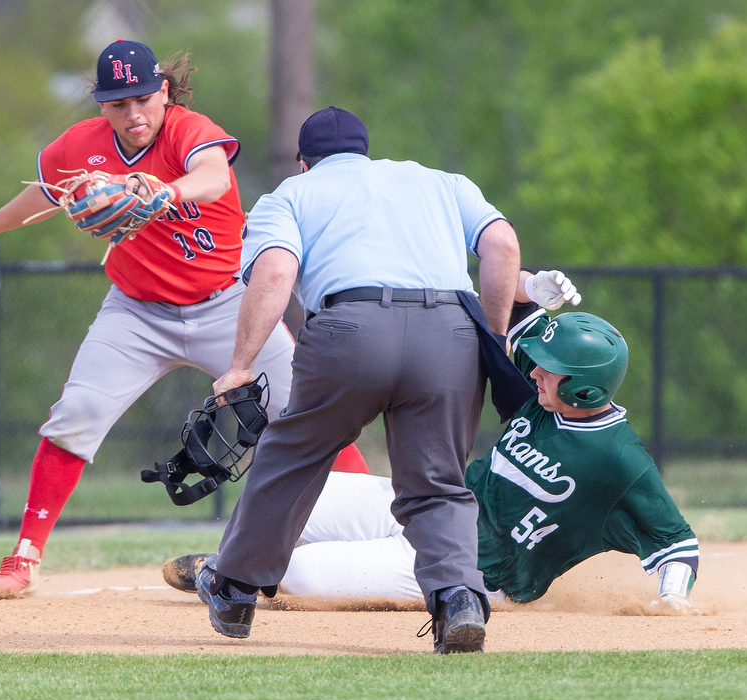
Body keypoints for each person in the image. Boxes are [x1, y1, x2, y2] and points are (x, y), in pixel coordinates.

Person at [0, 41, 366, 599]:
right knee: (75, 415)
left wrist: (163, 191)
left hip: (226, 304)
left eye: (142, 98)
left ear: (163, 91)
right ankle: (23, 558)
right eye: (118, 104)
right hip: (135, 311)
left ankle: (382, 541)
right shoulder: (82, 146)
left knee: (311, 410)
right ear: (101, 106)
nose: (133, 114)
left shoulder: (188, 129)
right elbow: (45, 191)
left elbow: (213, 176)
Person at [191, 105, 531, 653]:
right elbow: (504, 247)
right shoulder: (440, 182)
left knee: (294, 456)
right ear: (363, 151)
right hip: (449, 331)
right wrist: (489, 337)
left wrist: (240, 363)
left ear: (305, 163)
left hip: (351, 329)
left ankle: (234, 589)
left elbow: (276, 272)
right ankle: (459, 600)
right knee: (438, 482)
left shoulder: (289, 196)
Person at [167, 290, 701, 617]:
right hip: (433, 500)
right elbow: (511, 314)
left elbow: (675, 542)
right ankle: (237, 563)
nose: (535, 369)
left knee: (300, 577)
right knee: (286, 490)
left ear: (584, 389)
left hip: (462, 561)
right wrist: (528, 288)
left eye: (549, 367)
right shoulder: (548, 399)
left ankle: (234, 574)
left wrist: (672, 598)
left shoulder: (620, 461)